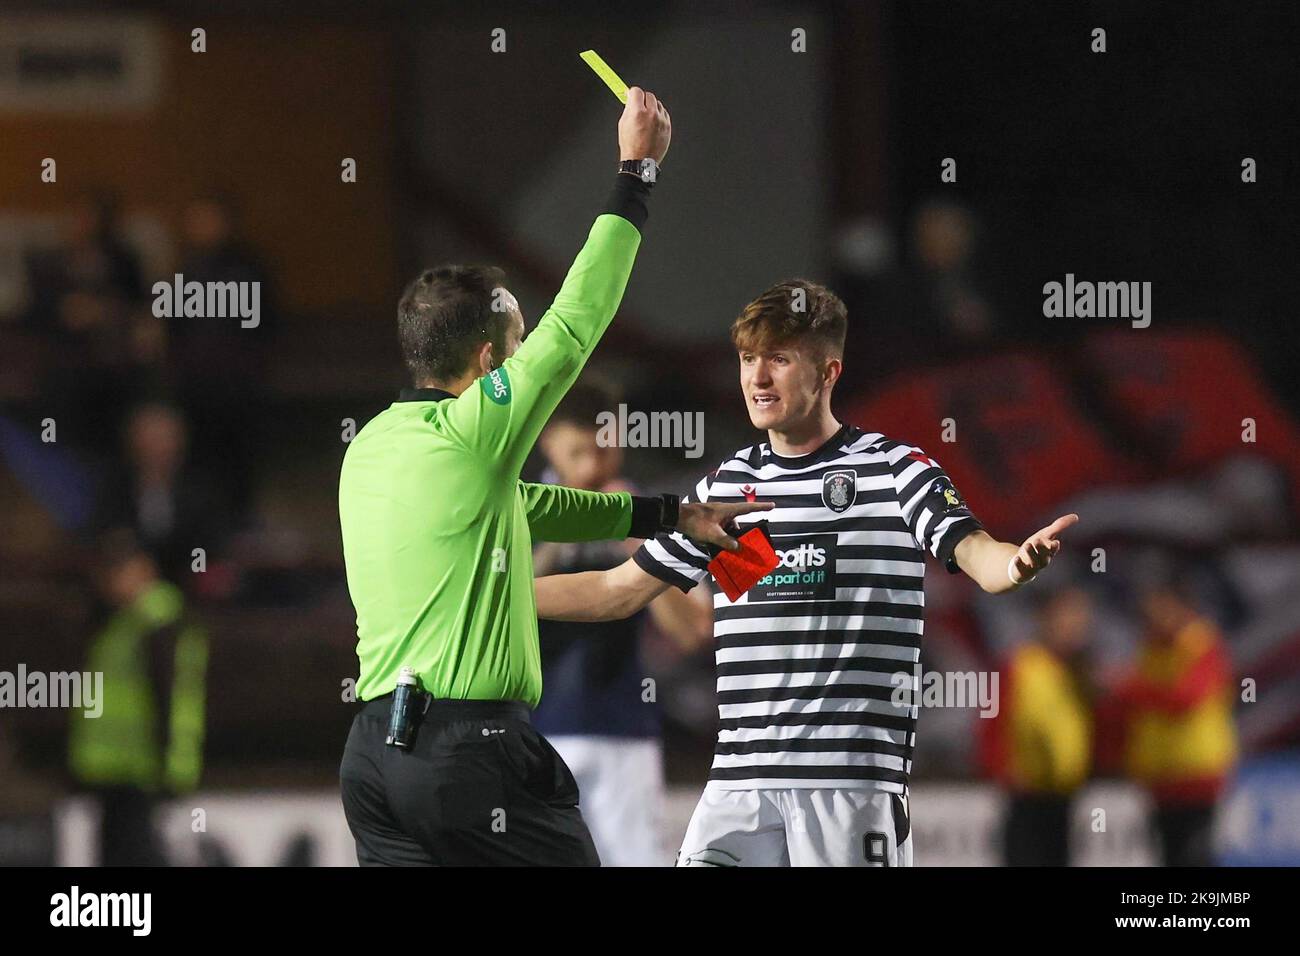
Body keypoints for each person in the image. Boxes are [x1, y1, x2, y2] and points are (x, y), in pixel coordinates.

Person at [337, 89, 768, 866]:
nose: (528, 351)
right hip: (471, 750)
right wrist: (636, 171)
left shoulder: (369, 448)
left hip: (374, 759)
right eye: (516, 341)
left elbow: (523, 506)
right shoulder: (476, 430)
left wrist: (669, 516)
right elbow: (577, 323)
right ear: (491, 363)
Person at [536, 279, 1079, 866]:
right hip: (740, 785)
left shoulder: (893, 471)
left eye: (779, 359)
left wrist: (1014, 563)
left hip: (848, 787)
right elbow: (617, 590)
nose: (757, 378)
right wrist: (484, 592)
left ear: (829, 371)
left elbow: (978, 554)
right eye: (748, 360)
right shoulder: (728, 488)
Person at [531, 381, 713, 865]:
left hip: (623, 734)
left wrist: (642, 545)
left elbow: (694, 630)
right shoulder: (516, 513)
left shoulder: (652, 512)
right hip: (532, 735)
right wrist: (560, 533)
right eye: (577, 452)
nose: (592, 467)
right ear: (548, 442)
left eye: (604, 451)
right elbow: (483, 603)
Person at [68, 529, 209, 866]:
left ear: (144, 569)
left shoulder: (158, 620)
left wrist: (171, 763)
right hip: (114, 767)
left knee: (138, 855)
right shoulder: (118, 621)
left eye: (121, 569)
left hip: (143, 767)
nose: (112, 579)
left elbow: (171, 696)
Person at [1111, 558, 1237, 866]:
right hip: (1159, 778)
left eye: (1160, 604)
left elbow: (1184, 699)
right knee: (1169, 856)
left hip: (1197, 775)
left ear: (1180, 604)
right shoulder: (1151, 648)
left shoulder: (1201, 644)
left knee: (1194, 856)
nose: (1153, 614)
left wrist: (1131, 688)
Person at [983, 586, 1094, 866]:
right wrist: (1002, 770)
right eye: (1067, 617)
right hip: (1026, 796)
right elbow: (991, 723)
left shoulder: (1080, 671)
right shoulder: (1020, 665)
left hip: (1065, 795)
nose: (1074, 626)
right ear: (1045, 618)